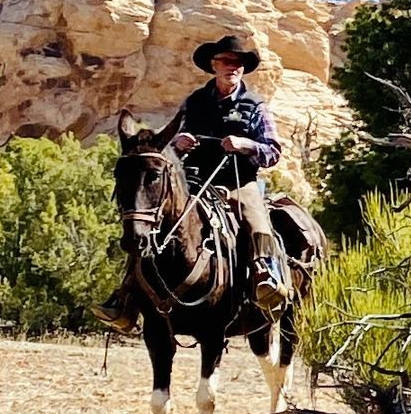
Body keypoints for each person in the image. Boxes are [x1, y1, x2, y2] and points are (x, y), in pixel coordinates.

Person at [98, 33, 289, 329]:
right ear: (214, 65)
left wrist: (244, 145)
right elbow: (170, 145)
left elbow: (273, 152)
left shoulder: (255, 105)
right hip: (194, 181)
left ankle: (267, 277)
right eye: (226, 61)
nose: (232, 67)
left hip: (239, 181)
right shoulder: (195, 102)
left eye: (237, 63)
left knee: (256, 220)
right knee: (153, 223)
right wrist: (179, 143)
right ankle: (127, 295)